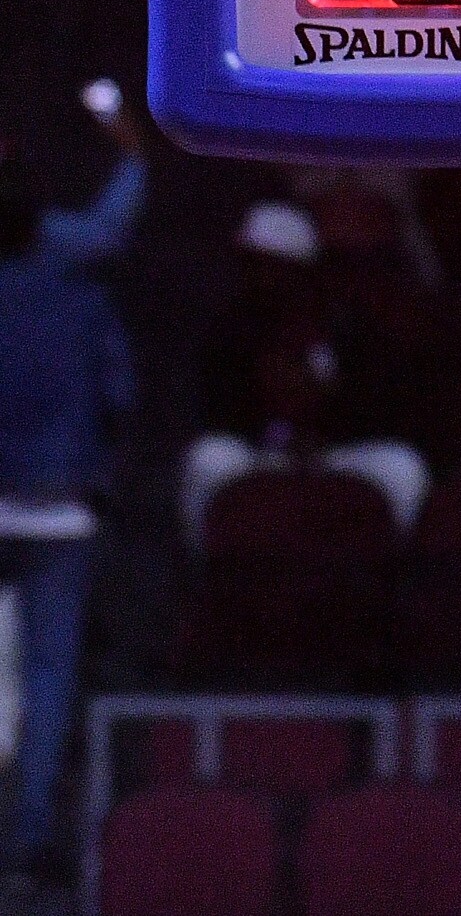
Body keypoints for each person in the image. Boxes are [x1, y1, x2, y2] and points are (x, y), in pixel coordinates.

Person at [0, 83, 143, 898]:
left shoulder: (70, 266)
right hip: (59, 504)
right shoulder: (76, 279)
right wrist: (127, 148)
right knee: (49, 682)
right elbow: (120, 395)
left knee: (31, 681)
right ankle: (24, 848)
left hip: (49, 507)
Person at [179, 201, 432, 544]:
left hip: (335, 452)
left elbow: (385, 412)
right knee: (206, 459)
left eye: (268, 265)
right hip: (263, 452)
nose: (258, 276)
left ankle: (399, 581)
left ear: (298, 269)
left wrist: (325, 406)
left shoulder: (348, 327)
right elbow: (218, 413)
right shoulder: (232, 329)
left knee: (403, 468)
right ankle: (207, 576)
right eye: (251, 264)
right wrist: (271, 414)